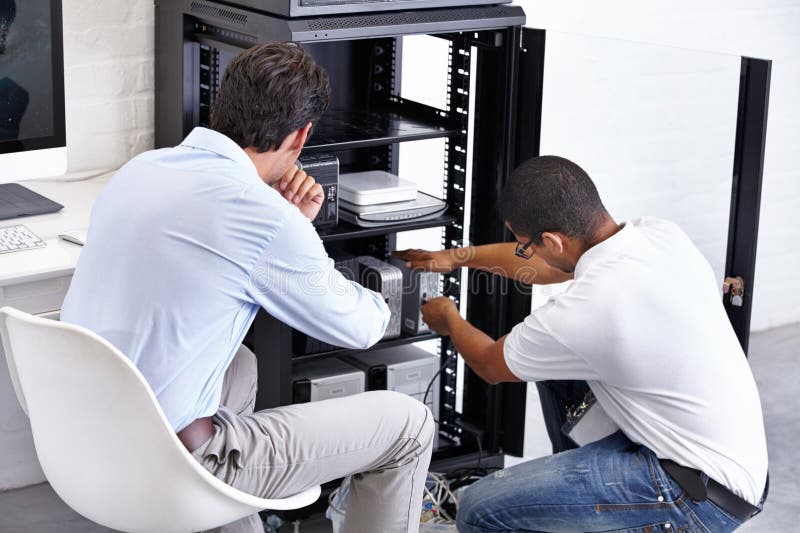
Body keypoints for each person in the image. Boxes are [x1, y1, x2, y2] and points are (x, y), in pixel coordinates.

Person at [61, 42, 434, 533]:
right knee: (410, 426)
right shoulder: (264, 219)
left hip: (80, 438)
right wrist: (300, 232)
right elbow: (364, 327)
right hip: (167, 464)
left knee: (242, 365)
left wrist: (286, 228)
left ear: (222, 104)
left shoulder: (142, 169)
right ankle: (205, 485)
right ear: (301, 137)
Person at [394, 155, 768, 532]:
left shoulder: (587, 311)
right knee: (549, 367)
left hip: (693, 498)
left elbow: (491, 364)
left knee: (479, 508)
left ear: (554, 240)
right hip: (733, 466)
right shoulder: (656, 234)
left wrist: (450, 319)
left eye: (525, 245)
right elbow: (546, 266)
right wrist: (456, 258)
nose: (526, 253)